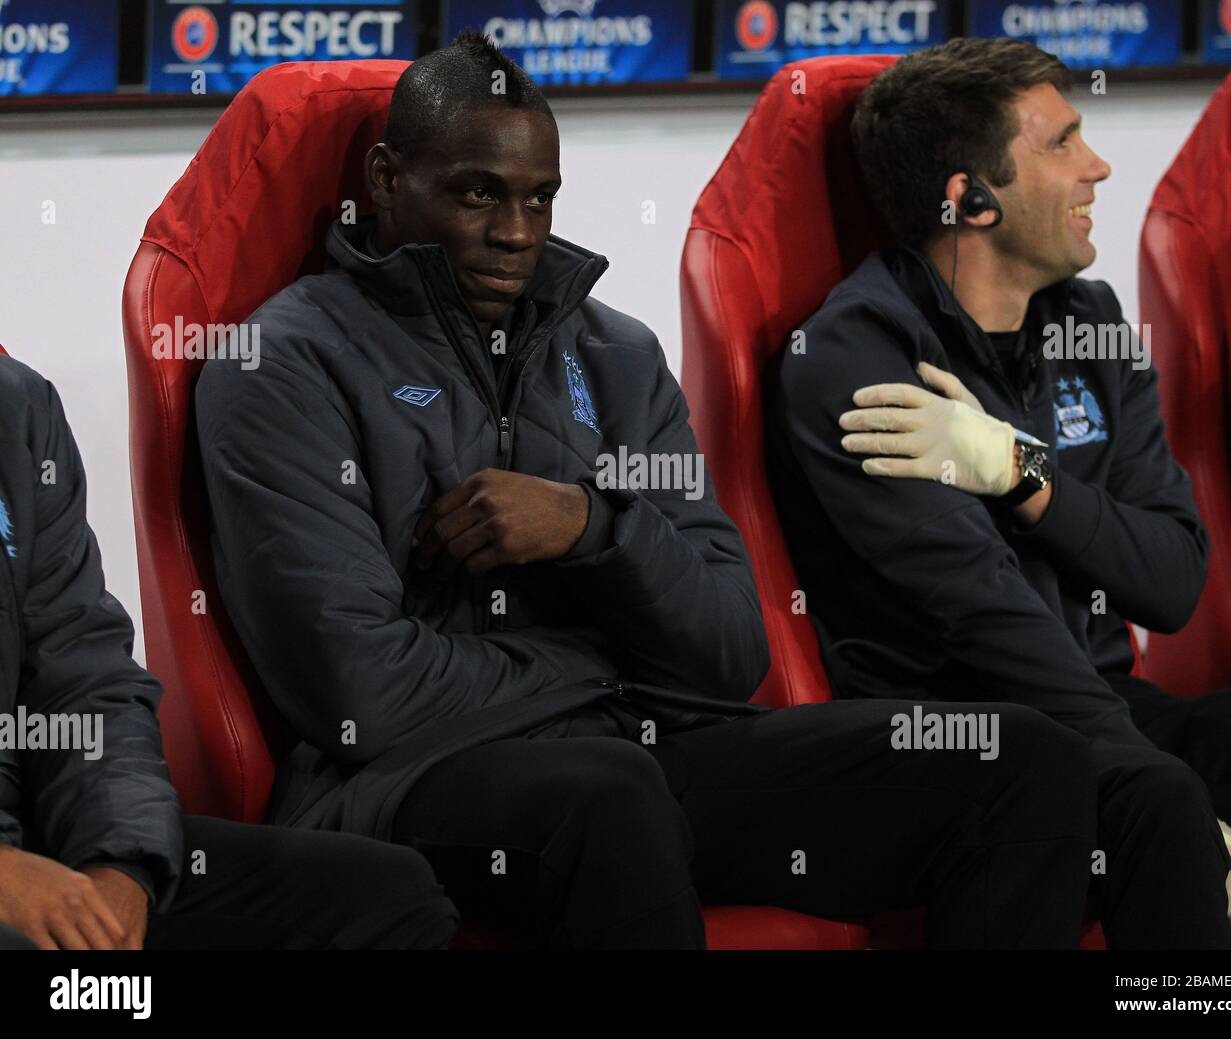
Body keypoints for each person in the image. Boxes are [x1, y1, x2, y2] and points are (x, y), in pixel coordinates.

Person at [196, 30, 1110, 950]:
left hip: (648, 748)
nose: (515, 233)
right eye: (478, 192)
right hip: (411, 787)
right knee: (606, 790)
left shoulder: (616, 352)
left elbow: (729, 652)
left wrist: (595, 528)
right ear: (388, 180)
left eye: (538, 199)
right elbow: (362, 692)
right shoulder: (283, 363)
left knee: (1018, 755)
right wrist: (600, 663)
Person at [767, 37, 1231, 948]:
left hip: (1103, 701)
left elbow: (1170, 580)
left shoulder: (1089, 318)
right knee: (1158, 800)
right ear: (969, 197)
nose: (1099, 167)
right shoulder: (858, 356)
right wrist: (1169, 792)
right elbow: (987, 618)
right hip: (969, 736)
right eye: (1062, 144)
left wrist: (1021, 473)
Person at [0, 351, 458, 950]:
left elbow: (82, 672)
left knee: (382, 897)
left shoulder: (19, 406)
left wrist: (123, 862)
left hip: (38, 843)